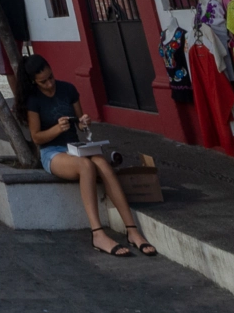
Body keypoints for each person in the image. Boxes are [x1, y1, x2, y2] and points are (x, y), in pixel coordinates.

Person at [16, 54, 155, 258]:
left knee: (102, 164)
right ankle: (97, 233)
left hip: (76, 146)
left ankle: (132, 230)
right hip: (52, 152)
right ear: (33, 82)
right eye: (43, 82)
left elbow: (80, 124)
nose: (49, 83)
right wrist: (57, 129)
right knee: (86, 167)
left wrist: (84, 122)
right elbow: (36, 138)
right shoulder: (33, 100)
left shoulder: (68, 89)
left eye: (51, 77)